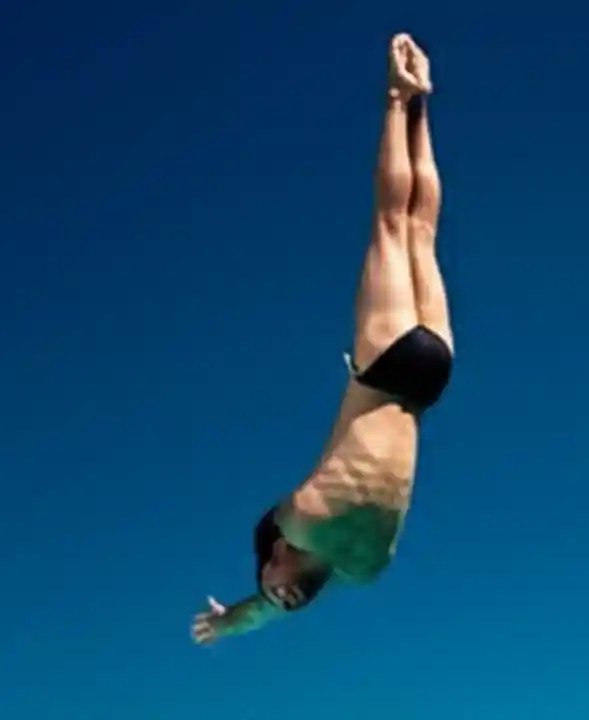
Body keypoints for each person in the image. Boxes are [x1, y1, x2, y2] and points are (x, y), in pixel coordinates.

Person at [191, 33, 454, 645]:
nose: (268, 566)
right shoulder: (299, 521)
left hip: (427, 377)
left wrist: (246, 613)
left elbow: (277, 599)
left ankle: (419, 107)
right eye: (268, 565)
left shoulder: (365, 566)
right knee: (396, 225)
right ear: (282, 555)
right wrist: (253, 601)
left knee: (420, 232)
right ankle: (400, 99)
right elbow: (276, 568)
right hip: (389, 364)